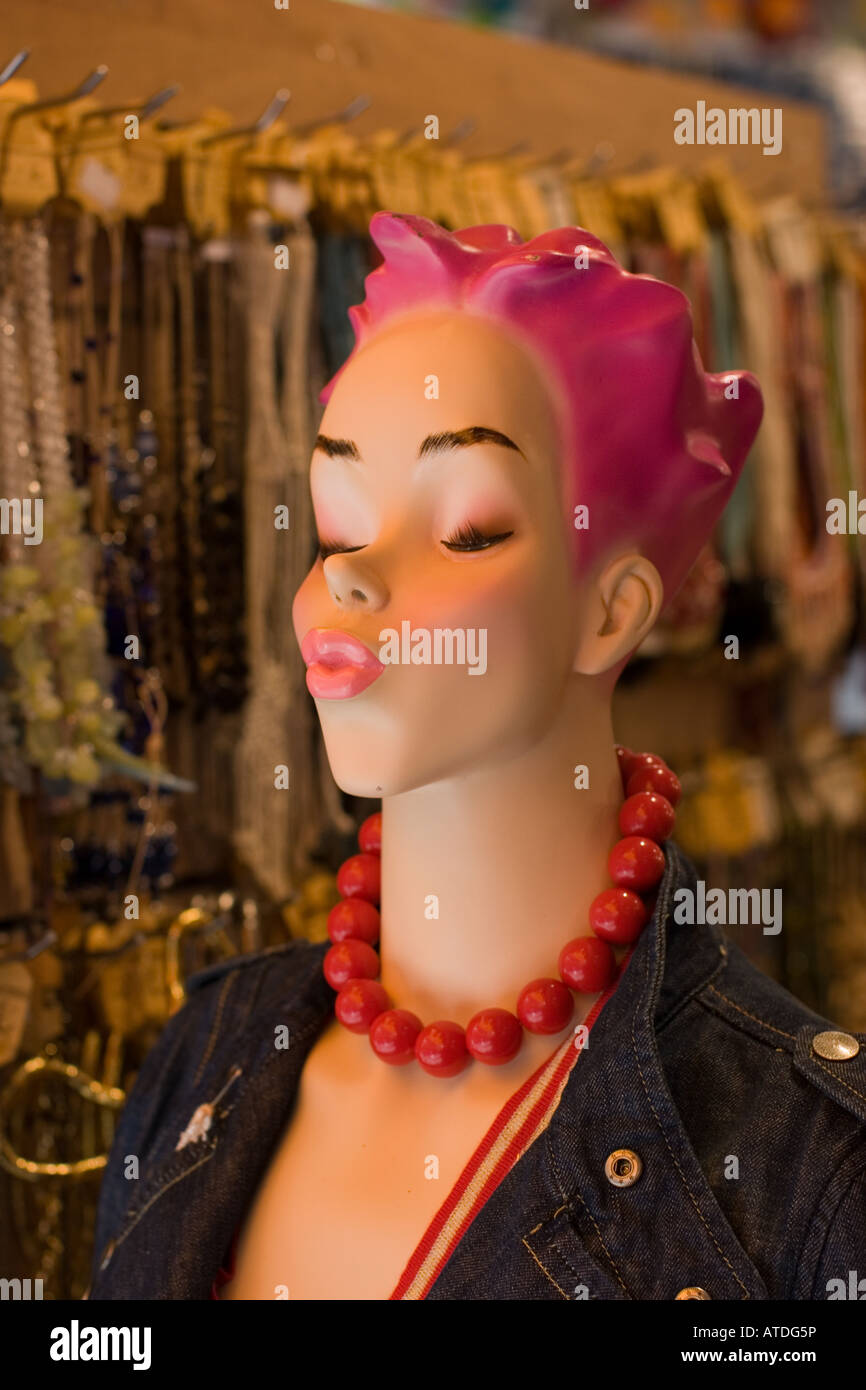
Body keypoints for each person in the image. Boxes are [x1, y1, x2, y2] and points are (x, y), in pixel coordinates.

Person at [88, 214, 866, 1301]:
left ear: (610, 612)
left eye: (465, 530)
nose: (350, 583)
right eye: (339, 522)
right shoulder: (200, 1058)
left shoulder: (804, 1182)